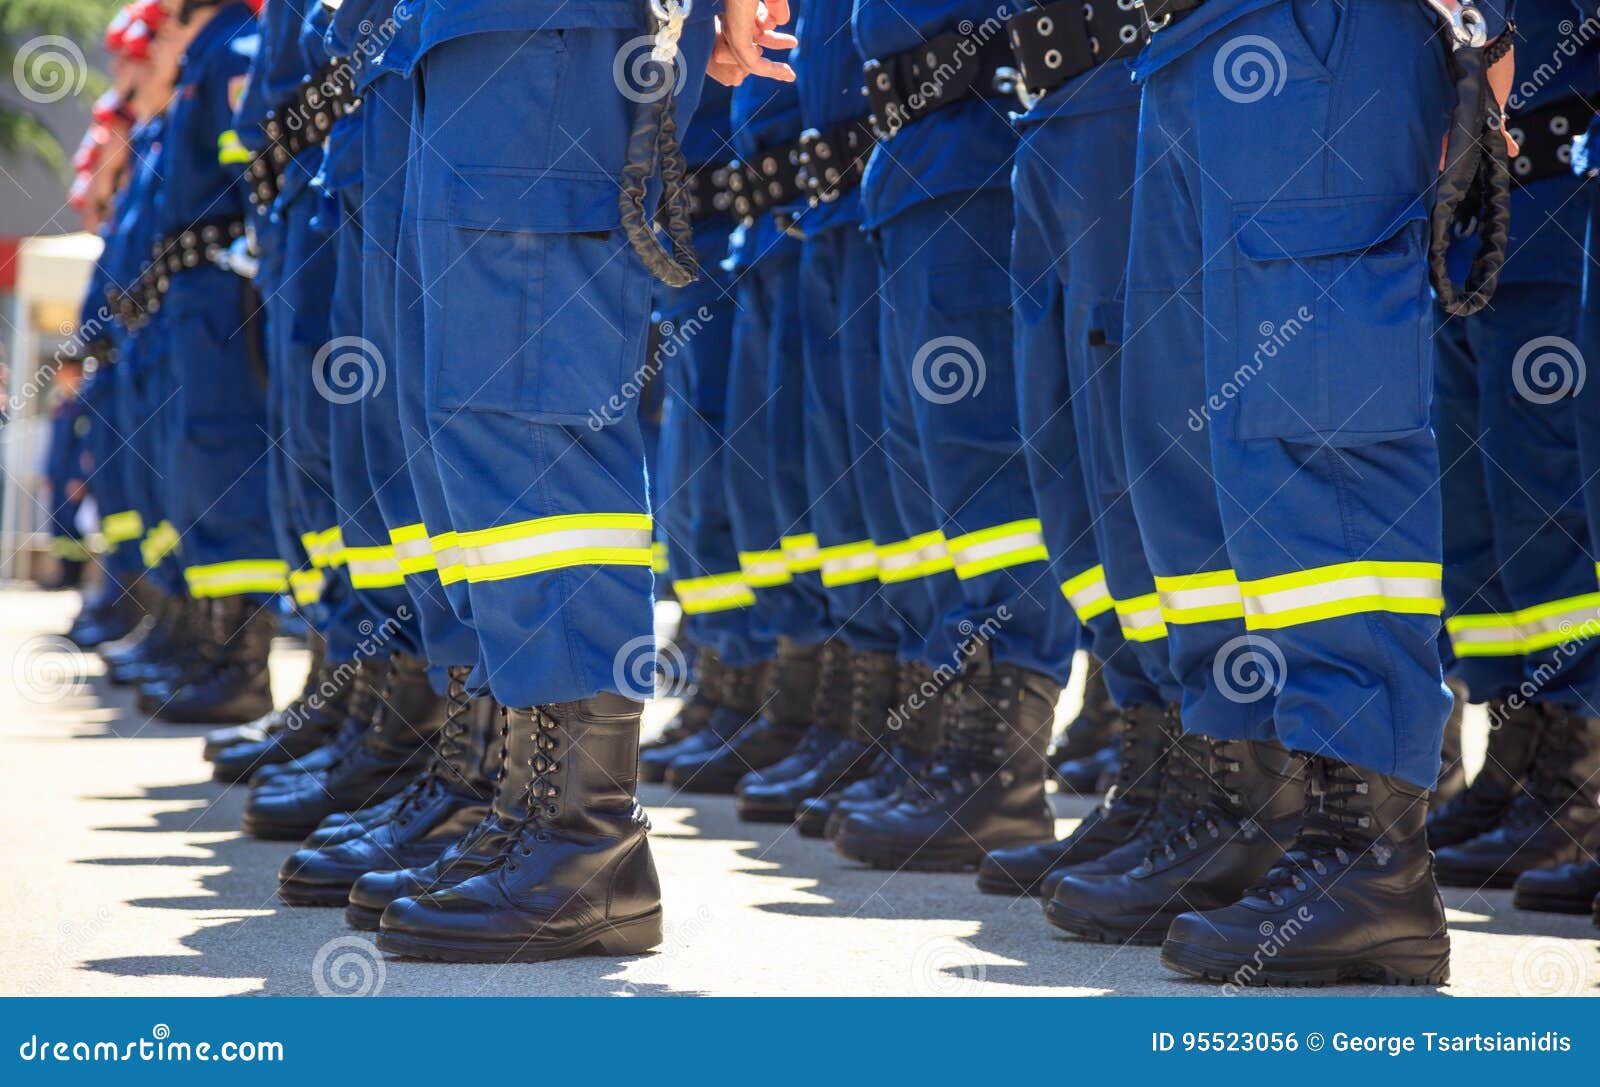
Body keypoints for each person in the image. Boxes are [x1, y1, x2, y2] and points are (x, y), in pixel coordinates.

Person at [1045, 0, 1514, 986]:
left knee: (1321, 431)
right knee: (1200, 451)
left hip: (1324, 35)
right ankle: (1245, 806)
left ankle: (1368, 851)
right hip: (1189, 47)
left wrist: (1492, 28)